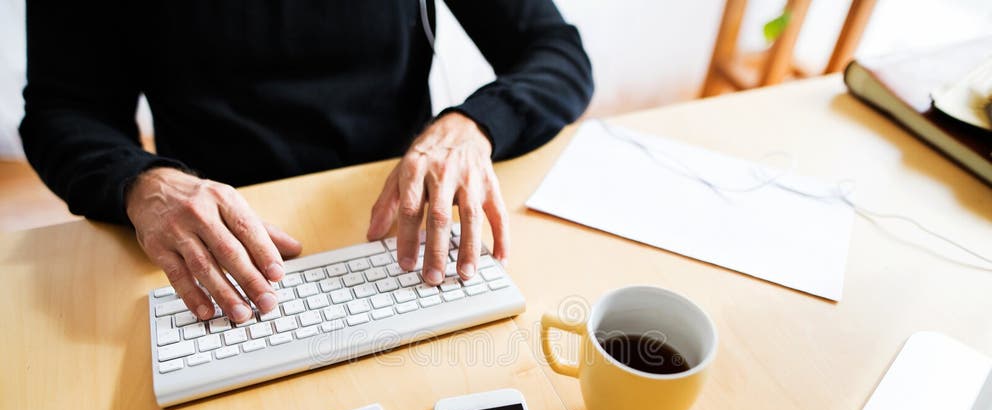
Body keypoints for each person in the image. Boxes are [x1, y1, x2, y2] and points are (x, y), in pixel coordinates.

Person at [20, 1, 593, 323]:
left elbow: (557, 53)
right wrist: (141, 182)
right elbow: (62, 109)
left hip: (396, 226)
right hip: (212, 242)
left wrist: (473, 126)